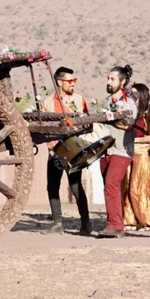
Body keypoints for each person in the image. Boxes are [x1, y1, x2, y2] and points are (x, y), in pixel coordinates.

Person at [42, 67, 90, 234]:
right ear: (60, 83)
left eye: (74, 81)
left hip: (74, 151)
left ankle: (86, 224)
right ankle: (57, 223)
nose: (72, 84)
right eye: (70, 81)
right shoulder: (47, 102)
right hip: (55, 151)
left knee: (76, 187)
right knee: (52, 187)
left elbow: (87, 122)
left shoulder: (79, 100)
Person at [97, 65, 137, 238]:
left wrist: (111, 119)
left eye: (112, 79)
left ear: (122, 81)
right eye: (108, 78)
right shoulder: (107, 101)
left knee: (111, 184)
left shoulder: (128, 100)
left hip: (122, 148)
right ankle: (117, 226)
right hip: (106, 149)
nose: (108, 81)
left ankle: (113, 224)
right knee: (110, 186)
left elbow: (128, 124)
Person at [127, 83, 150, 230]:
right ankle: (129, 219)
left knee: (141, 188)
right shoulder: (128, 113)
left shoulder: (147, 115)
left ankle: (148, 220)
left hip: (142, 153)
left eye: (135, 95)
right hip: (127, 152)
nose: (132, 98)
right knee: (126, 187)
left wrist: (135, 140)